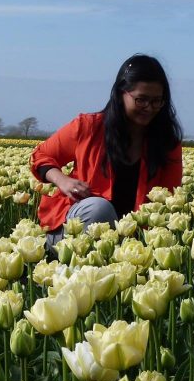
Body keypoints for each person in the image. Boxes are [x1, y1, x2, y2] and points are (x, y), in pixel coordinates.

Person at [29, 54, 183, 249]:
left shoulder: (166, 143)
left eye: (156, 101)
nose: (149, 108)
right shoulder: (88, 127)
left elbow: (169, 199)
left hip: (131, 241)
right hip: (77, 227)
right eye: (141, 100)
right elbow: (40, 156)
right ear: (120, 93)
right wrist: (63, 180)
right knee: (99, 210)